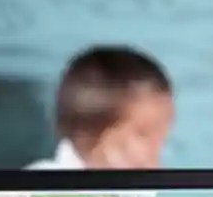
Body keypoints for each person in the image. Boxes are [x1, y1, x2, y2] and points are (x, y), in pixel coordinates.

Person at [27, 46, 174, 170]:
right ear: (92, 136)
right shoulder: (31, 194)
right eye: (144, 133)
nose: (159, 148)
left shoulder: (143, 193)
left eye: (163, 133)